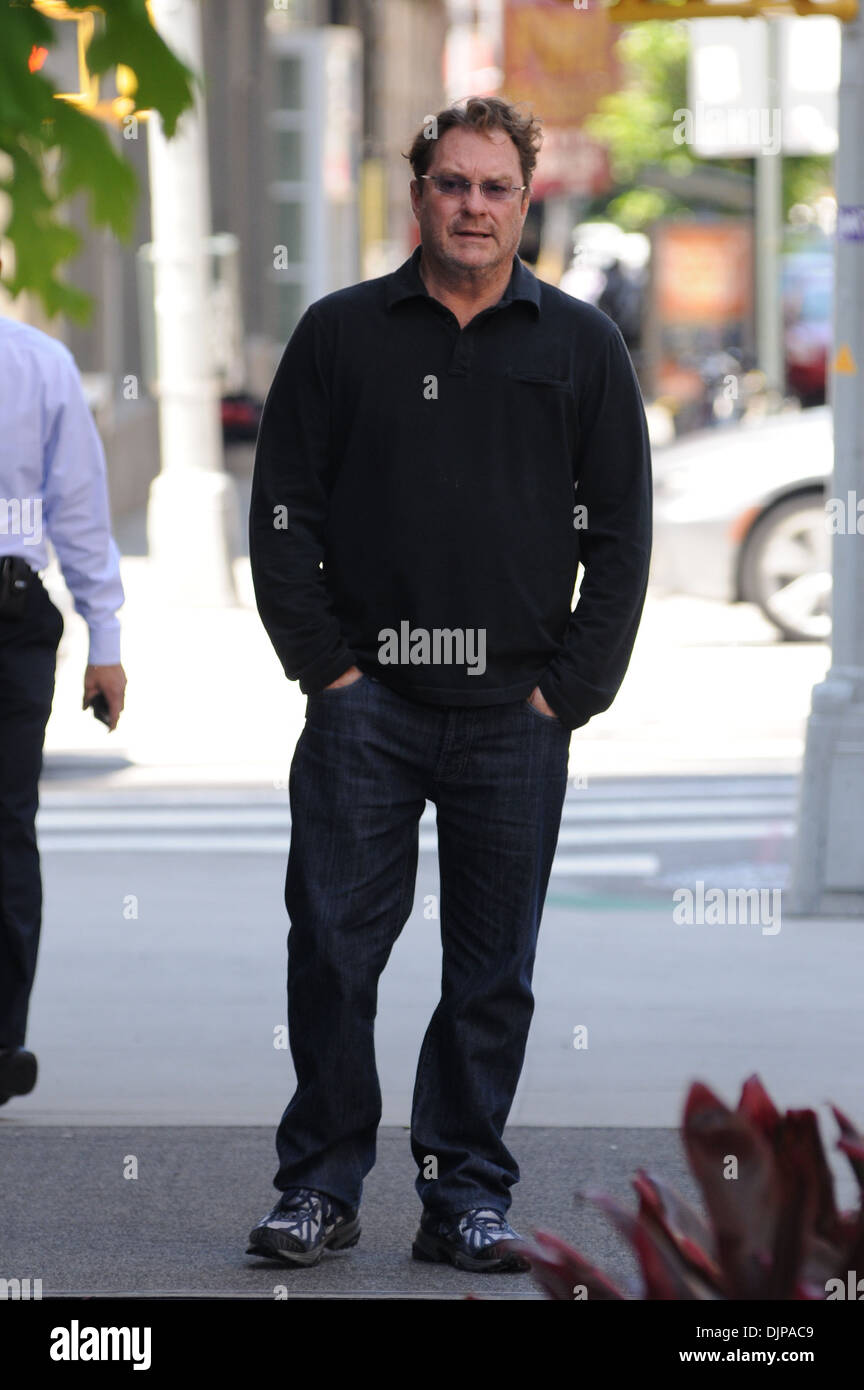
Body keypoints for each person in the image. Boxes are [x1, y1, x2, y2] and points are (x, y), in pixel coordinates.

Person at [247, 96, 652, 1273]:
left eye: (496, 188)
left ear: (527, 202)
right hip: (365, 705)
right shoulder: (339, 335)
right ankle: (317, 1186)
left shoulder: (581, 347)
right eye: (452, 184)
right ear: (418, 195)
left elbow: (620, 536)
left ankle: (462, 1192)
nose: (473, 206)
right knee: (331, 947)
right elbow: (282, 515)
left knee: (492, 972)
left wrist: (567, 691)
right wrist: (326, 666)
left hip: (514, 715)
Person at [0, 273, 126, 1105]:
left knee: (6, 827)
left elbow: (76, 507)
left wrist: (104, 639)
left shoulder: (38, 364)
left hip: (8, 610)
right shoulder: (39, 360)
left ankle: (3, 1043)